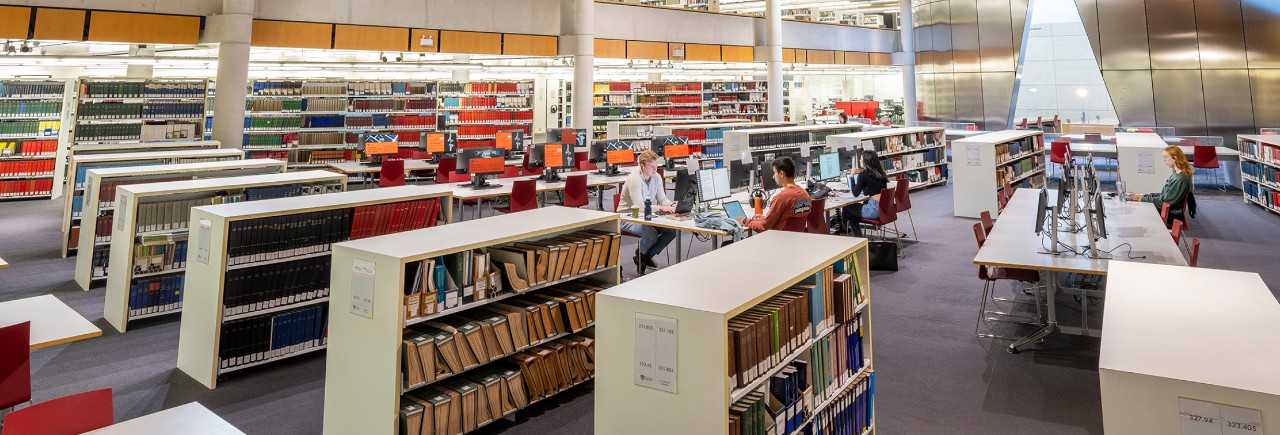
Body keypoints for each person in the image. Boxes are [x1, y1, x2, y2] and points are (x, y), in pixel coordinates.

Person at [617, 150, 677, 272]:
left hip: (646, 215)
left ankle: (643, 256)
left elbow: (662, 199)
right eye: (651, 167)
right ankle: (643, 257)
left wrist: (671, 205)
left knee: (671, 232)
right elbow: (639, 206)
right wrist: (660, 208)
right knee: (651, 235)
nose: (655, 170)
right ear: (642, 166)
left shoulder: (657, 177)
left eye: (656, 166)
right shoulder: (634, 179)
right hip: (627, 217)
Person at [736, 156, 812, 232]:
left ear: (781, 173)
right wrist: (767, 218)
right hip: (797, 239)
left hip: (779, 240)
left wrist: (745, 221)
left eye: (775, 172)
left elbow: (764, 227)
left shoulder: (781, 198)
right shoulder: (805, 194)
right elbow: (790, 219)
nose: (773, 176)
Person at [1126, 145, 1193, 224]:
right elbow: (1164, 196)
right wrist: (1143, 196)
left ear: (1175, 158)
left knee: (1137, 210)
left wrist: (1140, 199)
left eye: (1165, 157)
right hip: (1167, 211)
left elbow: (1166, 201)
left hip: (1171, 214)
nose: (1164, 160)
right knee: (1138, 207)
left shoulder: (1181, 179)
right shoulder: (1176, 175)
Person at [842, 150, 889, 237]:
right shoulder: (881, 173)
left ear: (865, 161)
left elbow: (855, 193)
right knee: (853, 212)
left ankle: (846, 233)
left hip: (873, 211)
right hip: (884, 210)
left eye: (861, 159)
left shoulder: (863, 174)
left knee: (846, 207)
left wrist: (852, 176)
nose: (860, 160)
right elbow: (867, 191)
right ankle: (852, 235)